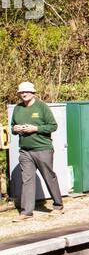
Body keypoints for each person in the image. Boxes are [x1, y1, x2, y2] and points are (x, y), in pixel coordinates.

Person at [11, 81, 64, 218]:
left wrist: (35, 128)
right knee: (27, 180)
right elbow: (12, 127)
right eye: (21, 92)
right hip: (25, 151)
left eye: (27, 91)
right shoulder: (17, 109)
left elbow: (53, 126)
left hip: (42, 149)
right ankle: (26, 212)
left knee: (49, 177)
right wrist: (15, 129)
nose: (24, 94)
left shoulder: (42, 107)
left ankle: (58, 206)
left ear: (33, 93)